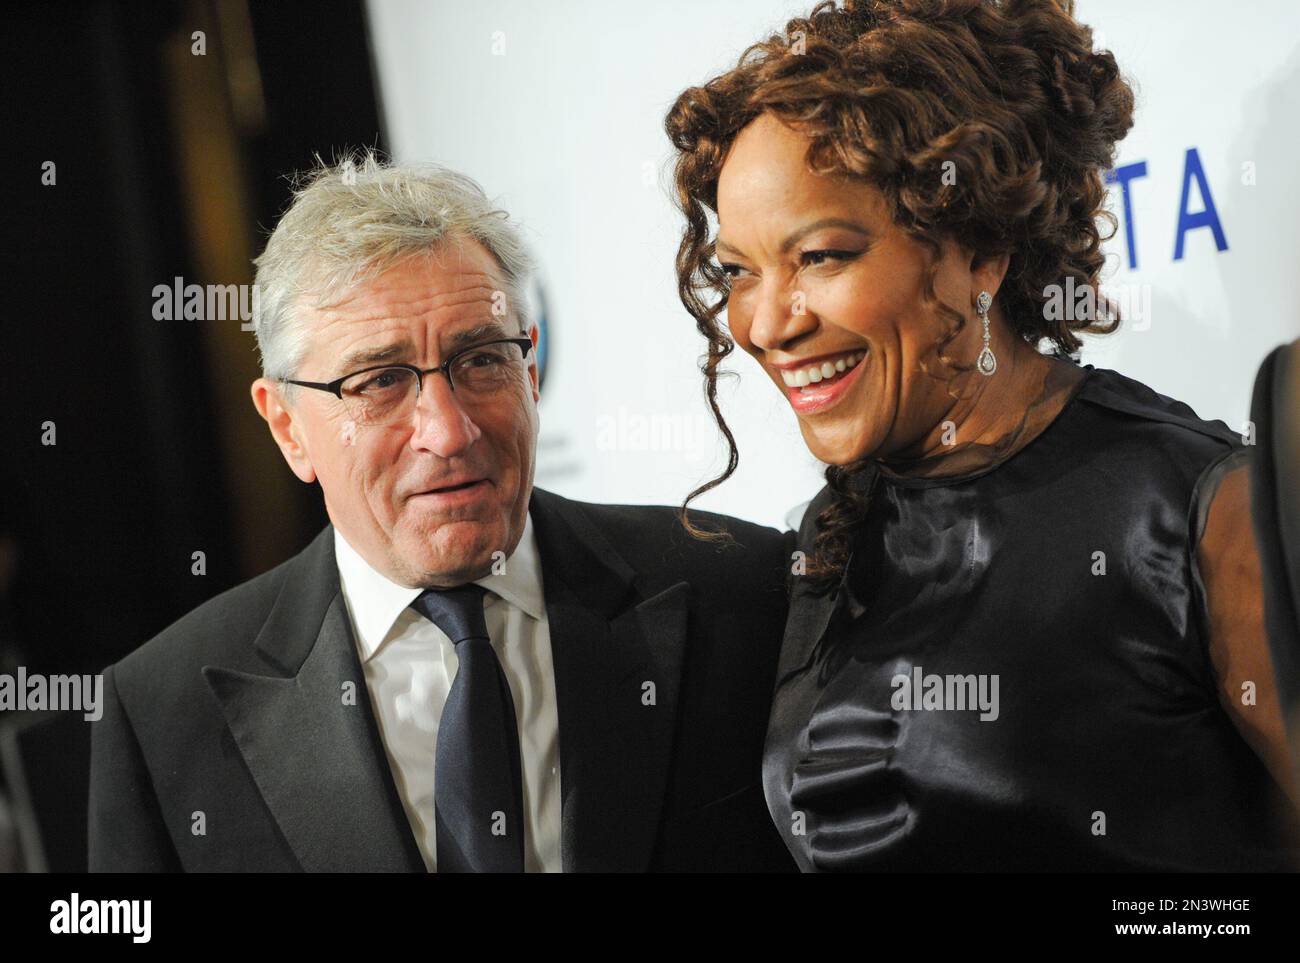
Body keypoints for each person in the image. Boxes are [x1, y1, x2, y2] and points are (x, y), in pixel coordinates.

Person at [664, 0, 1300, 870]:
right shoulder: (835, 535)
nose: (767, 322)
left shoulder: (1193, 509)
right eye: (738, 271)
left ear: (981, 249)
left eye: (821, 256)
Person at [87, 153, 795, 873]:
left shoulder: (740, 591)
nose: (449, 430)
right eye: (380, 380)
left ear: (532, 369)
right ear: (288, 427)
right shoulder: (163, 711)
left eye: (482, 359)